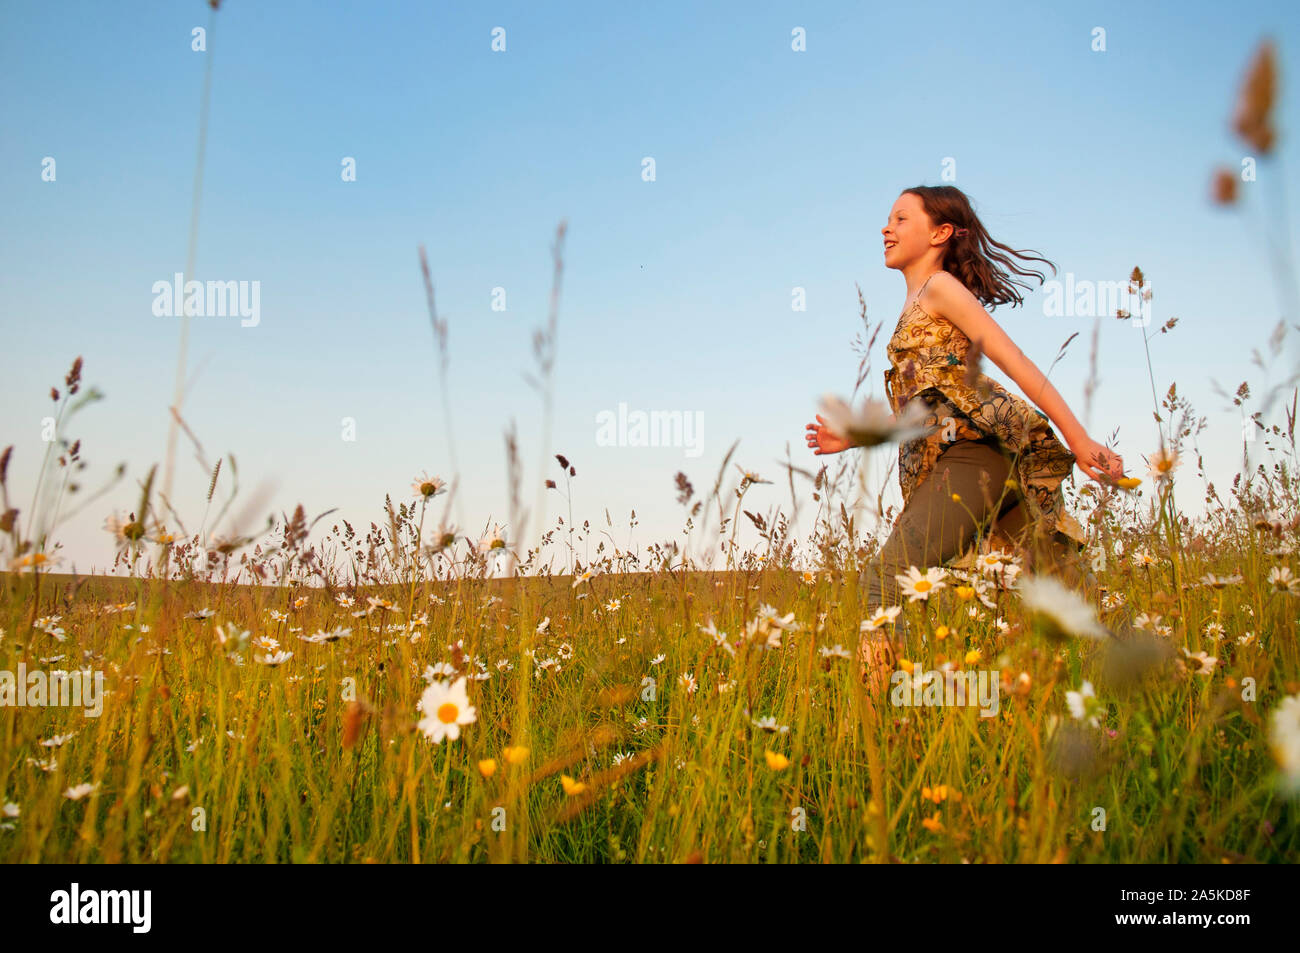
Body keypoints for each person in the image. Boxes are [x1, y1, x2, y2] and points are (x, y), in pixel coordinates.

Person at [805, 185, 1125, 689]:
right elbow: (931, 405)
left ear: (940, 232)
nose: (886, 229)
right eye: (888, 219)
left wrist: (1079, 439)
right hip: (977, 462)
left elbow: (1014, 363)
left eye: (901, 218)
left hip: (976, 458)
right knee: (1072, 597)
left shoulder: (941, 289)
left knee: (882, 583)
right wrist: (857, 438)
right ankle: (1153, 683)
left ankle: (884, 746)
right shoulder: (916, 302)